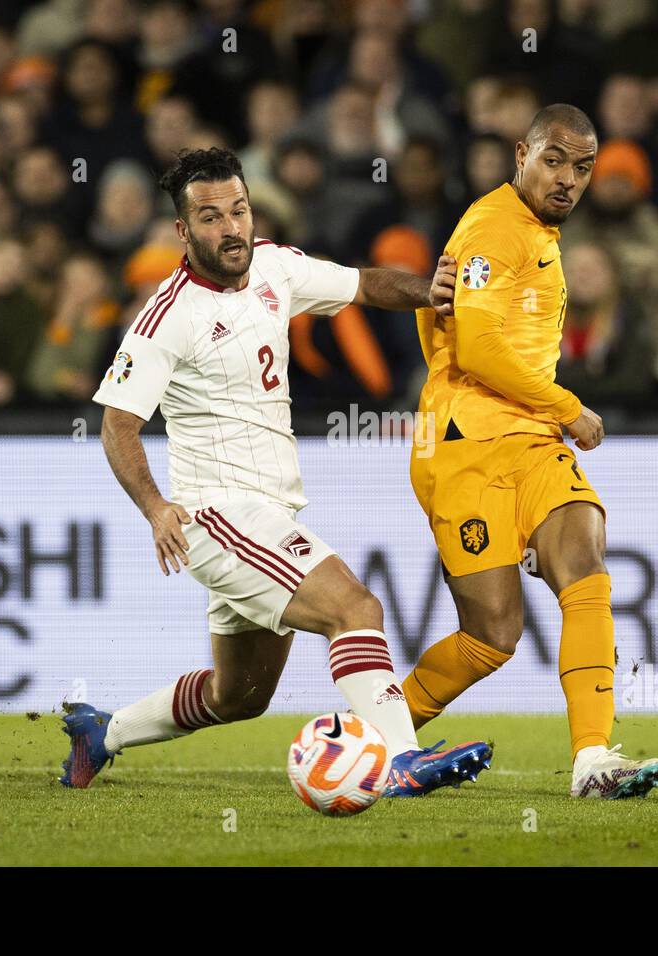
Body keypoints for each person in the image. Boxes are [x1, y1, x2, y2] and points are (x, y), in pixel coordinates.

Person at [60, 147, 491, 796]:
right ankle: (400, 758)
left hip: (268, 514)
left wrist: (428, 292)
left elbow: (364, 284)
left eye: (239, 210)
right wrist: (156, 508)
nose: (230, 227)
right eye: (210, 217)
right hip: (219, 517)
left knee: (241, 695)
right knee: (356, 606)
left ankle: (103, 732)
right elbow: (118, 426)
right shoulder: (164, 319)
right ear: (183, 230)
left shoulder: (276, 267)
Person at [401, 106, 658, 799]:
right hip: (466, 444)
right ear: (521, 154)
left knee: (584, 562)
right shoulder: (494, 228)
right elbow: (479, 349)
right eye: (555, 160)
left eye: (583, 168)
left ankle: (592, 760)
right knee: (491, 634)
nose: (569, 179)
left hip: (529, 441)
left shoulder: (535, 231)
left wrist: (548, 418)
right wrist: (568, 407)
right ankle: (377, 735)